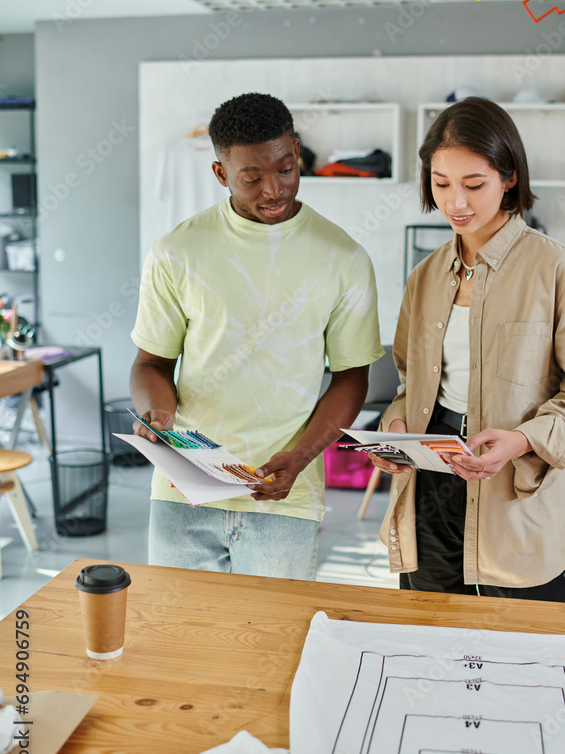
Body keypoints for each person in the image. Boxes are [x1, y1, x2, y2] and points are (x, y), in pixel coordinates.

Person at [130, 92, 383, 579]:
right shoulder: (176, 252)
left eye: (286, 168)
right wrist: (155, 413)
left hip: (284, 493)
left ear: (297, 151)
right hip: (185, 488)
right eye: (252, 178)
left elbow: (352, 377)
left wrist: (304, 456)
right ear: (222, 174)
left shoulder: (344, 258)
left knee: (272, 646)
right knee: (179, 640)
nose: (275, 189)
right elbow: (151, 364)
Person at [371, 97, 565, 601]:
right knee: (428, 641)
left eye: (474, 185)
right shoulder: (425, 277)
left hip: (516, 498)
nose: (455, 202)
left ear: (510, 177)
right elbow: (410, 383)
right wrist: (395, 427)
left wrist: (520, 442)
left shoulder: (557, 269)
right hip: (429, 491)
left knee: (519, 658)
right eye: (441, 184)